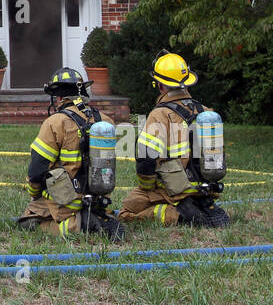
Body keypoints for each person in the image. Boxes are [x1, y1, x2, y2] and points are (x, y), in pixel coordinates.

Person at [118, 51, 230, 227]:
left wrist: (147, 187)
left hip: (173, 190)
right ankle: (203, 205)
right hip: (206, 188)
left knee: (126, 212)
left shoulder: (160, 114)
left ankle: (177, 215)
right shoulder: (206, 112)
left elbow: (146, 158)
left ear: (160, 85)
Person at [17, 67, 125, 240]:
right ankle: (99, 217)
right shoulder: (105, 121)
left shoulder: (55, 122)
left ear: (59, 97)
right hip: (98, 199)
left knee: (27, 222)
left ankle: (81, 224)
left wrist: (35, 195)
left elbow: (37, 169)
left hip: (66, 202)